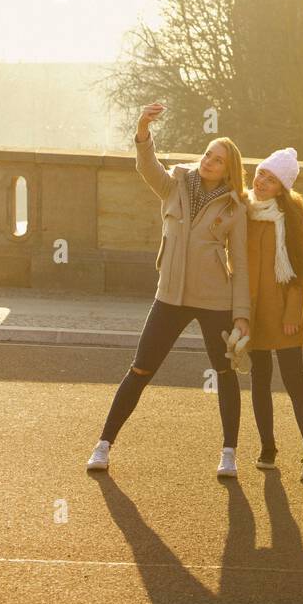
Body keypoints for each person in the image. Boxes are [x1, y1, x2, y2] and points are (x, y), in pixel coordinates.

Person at [86, 102, 250, 479]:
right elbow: (147, 166)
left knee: (225, 372)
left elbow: (239, 266)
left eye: (218, 160)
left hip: (214, 300)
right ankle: (104, 444)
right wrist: (143, 127)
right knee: (141, 367)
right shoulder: (175, 182)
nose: (209, 161)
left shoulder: (235, 206)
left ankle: (229, 453)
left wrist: (241, 316)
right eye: (208, 153)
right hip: (169, 297)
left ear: (229, 169)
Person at [244, 147, 303, 481]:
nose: (262, 181)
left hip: (284, 313)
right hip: (254, 310)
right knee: (259, 381)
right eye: (261, 173)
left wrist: (294, 314)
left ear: (282, 187)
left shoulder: (293, 217)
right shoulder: (244, 209)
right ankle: (267, 447)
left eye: (271, 179)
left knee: (295, 383)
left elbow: (302, 271)